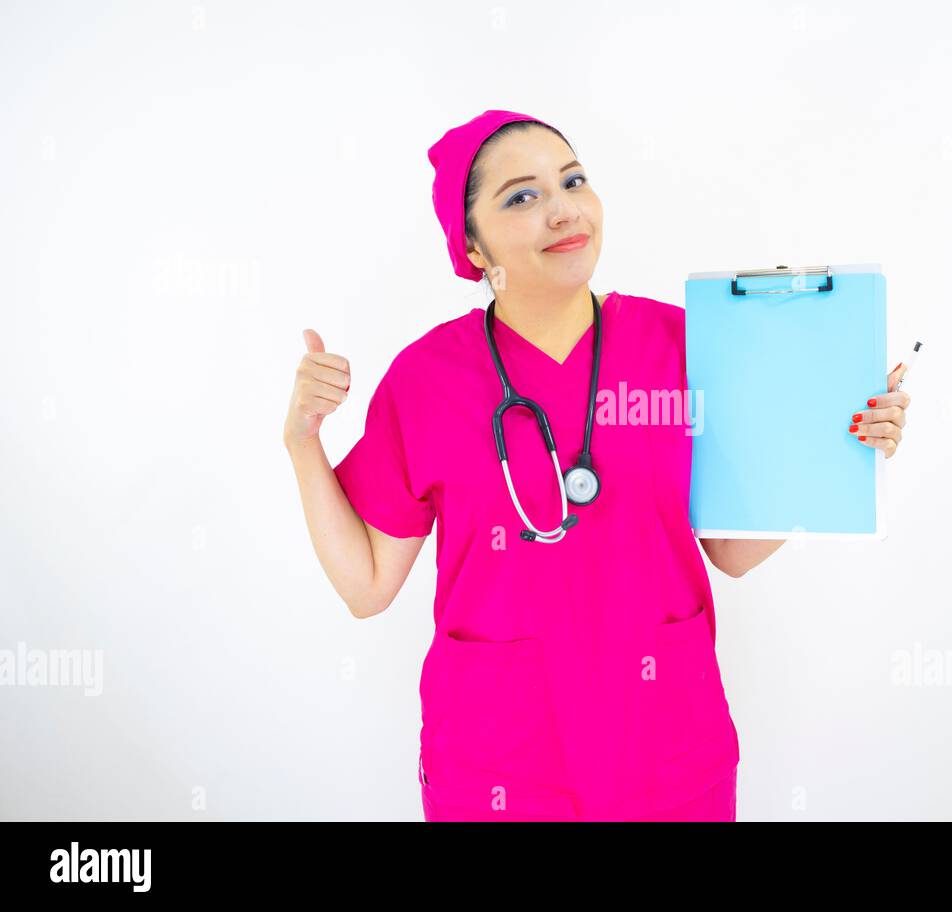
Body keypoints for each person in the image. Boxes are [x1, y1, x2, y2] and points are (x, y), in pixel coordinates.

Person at [282, 109, 911, 821]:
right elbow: (367, 586)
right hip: (499, 761)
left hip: (666, 748)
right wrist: (303, 443)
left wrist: (839, 439)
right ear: (472, 246)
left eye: (572, 180)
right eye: (521, 196)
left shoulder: (683, 346)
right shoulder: (427, 379)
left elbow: (731, 550)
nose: (562, 209)